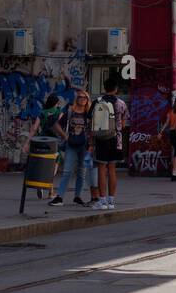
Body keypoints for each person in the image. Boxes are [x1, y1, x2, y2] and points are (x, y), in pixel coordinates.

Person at [49, 88, 91, 206]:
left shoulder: (89, 113)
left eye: (85, 98)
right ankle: (59, 197)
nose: (83, 100)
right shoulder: (70, 111)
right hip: (71, 144)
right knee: (67, 171)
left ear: (88, 100)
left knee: (82, 172)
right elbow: (56, 125)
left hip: (84, 145)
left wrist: (91, 142)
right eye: (80, 97)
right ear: (76, 99)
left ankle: (77, 197)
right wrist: (66, 137)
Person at [91, 78, 128, 210]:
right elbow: (123, 124)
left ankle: (102, 200)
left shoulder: (97, 102)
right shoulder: (121, 103)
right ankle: (111, 201)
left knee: (102, 169)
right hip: (115, 140)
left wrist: (91, 142)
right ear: (116, 89)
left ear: (104, 87)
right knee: (112, 169)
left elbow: (91, 123)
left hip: (101, 139)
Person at [163, 93, 176, 181]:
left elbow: (167, 122)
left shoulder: (171, 110)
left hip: (171, 133)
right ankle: (174, 173)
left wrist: (161, 131)